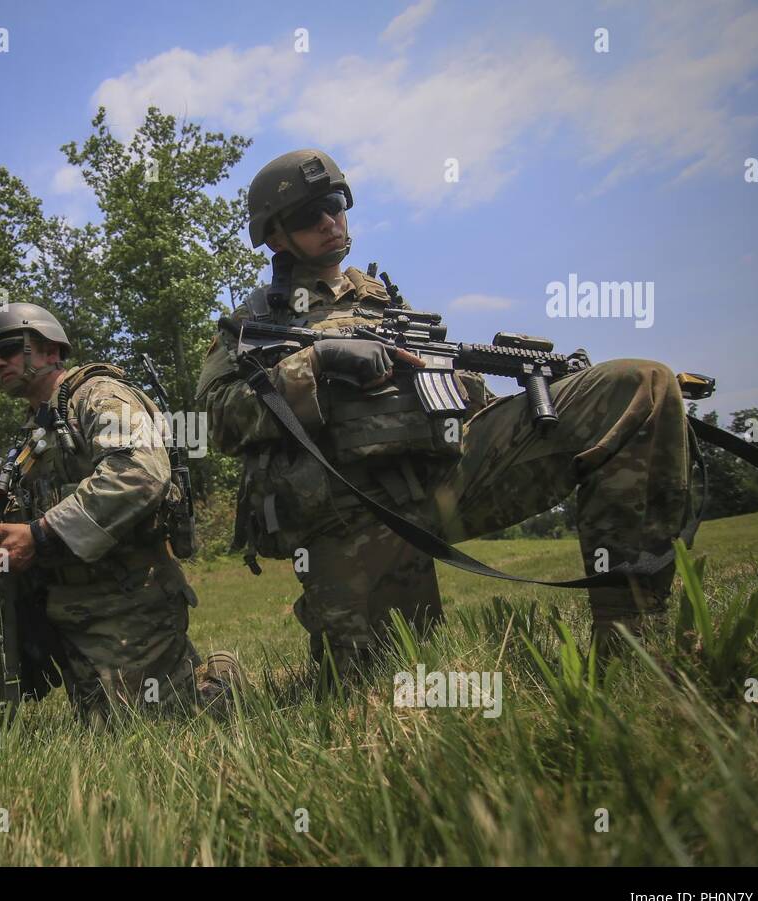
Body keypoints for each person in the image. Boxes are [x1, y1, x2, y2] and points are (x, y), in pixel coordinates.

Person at [196, 148, 692, 686]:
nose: (327, 221)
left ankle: (631, 645)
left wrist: (477, 384)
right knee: (381, 686)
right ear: (274, 237)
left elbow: (454, 402)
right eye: (305, 215)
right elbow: (217, 416)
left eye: (335, 204)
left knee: (637, 385)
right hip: (356, 514)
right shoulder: (254, 318)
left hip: (449, 476)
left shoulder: (386, 301)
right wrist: (315, 362)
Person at [0, 302, 241, 728]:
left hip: (122, 596)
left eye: (11, 348)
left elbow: (140, 472)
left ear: (52, 351)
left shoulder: (99, 396)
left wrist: (39, 534)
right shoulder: (33, 435)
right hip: (53, 597)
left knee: (141, 732)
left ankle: (217, 680)